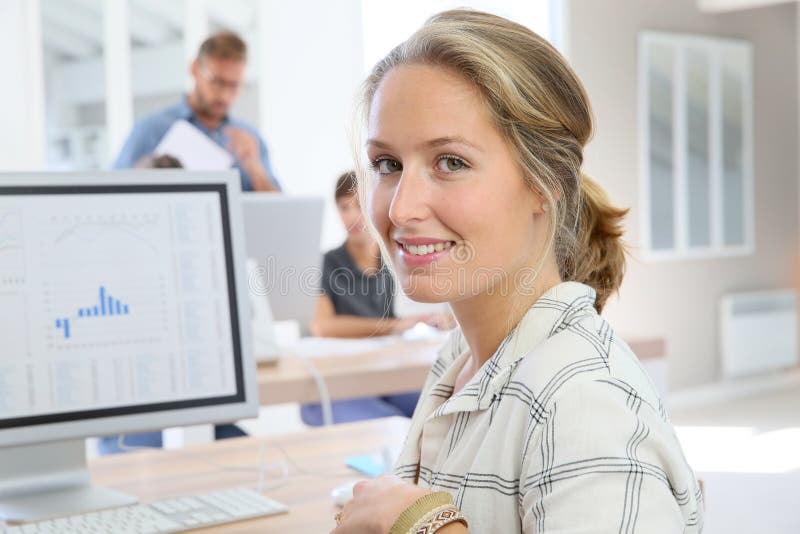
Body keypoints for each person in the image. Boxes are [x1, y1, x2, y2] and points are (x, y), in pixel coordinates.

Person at [332, 10, 703, 534]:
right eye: (388, 164)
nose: (401, 209)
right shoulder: (460, 360)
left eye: (451, 162)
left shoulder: (583, 400)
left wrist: (417, 523)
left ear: (544, 182)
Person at [301, 170, 452, 426]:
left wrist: (435, 320)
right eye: (344, 208)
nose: (352, 216)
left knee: (441, 412)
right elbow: (322, 327)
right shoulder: (324, 263)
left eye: (360, 206)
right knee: (392, 425)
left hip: (385, 375)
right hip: (336, 384)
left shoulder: (394, 259)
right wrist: (394, 326)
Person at [113, 31, 280, 192]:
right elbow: (113, 193)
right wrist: (143, 174)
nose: (224, 95)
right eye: (216, 82)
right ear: (194, 69)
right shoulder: (150, 130)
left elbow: (279, 206)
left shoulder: (250, 139)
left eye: (234, 85)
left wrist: (254, 168)